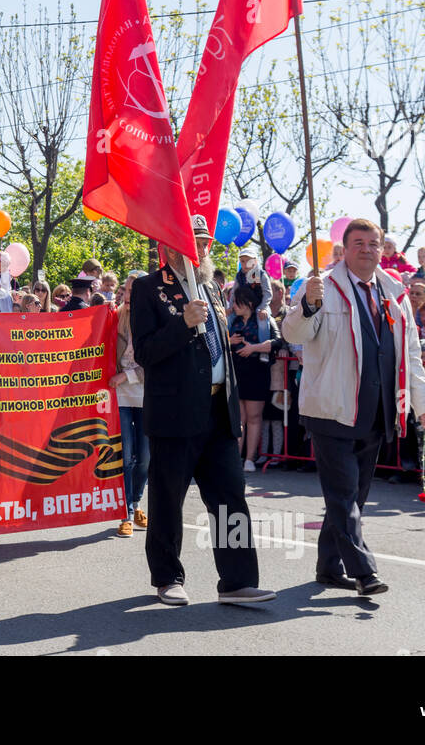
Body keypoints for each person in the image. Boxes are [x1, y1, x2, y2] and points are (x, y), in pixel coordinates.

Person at [282, 218, 425, 595]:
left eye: (373, 243)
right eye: (358, 243)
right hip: (330, 409)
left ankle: (329, 567)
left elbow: (410, 353)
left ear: (382, 248)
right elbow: (292, 334)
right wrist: (307, 305)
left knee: (354, 498)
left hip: (378, 410)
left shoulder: (396, 291)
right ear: (345, 248)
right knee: (342, 494)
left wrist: (423, 401)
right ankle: (364, 571)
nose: (367, 249)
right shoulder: (322, 287)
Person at [129, 215, 275, 607]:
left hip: (217, 411)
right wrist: (182, 324)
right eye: (192, 242)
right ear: (172, 246)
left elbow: (221, 351)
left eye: (205, 242)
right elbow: (144, 352)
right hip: (175, 412)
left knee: (230, 498)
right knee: (167, 500)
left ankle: (237, 581)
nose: (200, 249)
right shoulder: (147, 288)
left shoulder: (212, 286)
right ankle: (167, 577)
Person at [229, 284, 282, 472]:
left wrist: (253, 348)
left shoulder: (264, 319)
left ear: (249, 303)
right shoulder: (232, 320)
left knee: (253, 416)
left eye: (238, 302)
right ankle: (236, 456)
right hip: (236, 371)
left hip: (257, 371)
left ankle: (250, 458)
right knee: (239, 417)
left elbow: (278, 341)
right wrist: (230, 341)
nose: (234, 305)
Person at [112, 271, 149, 538]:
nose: (127, 295)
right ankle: (125, 511)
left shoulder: (154, 320)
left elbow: (158, 362)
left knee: (145, 458)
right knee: (125, 456)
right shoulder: (114, 318)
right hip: (120, 398)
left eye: (133, 291)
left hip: (148, 396)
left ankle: (136, 502)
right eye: (125, 290)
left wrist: (128, 375)